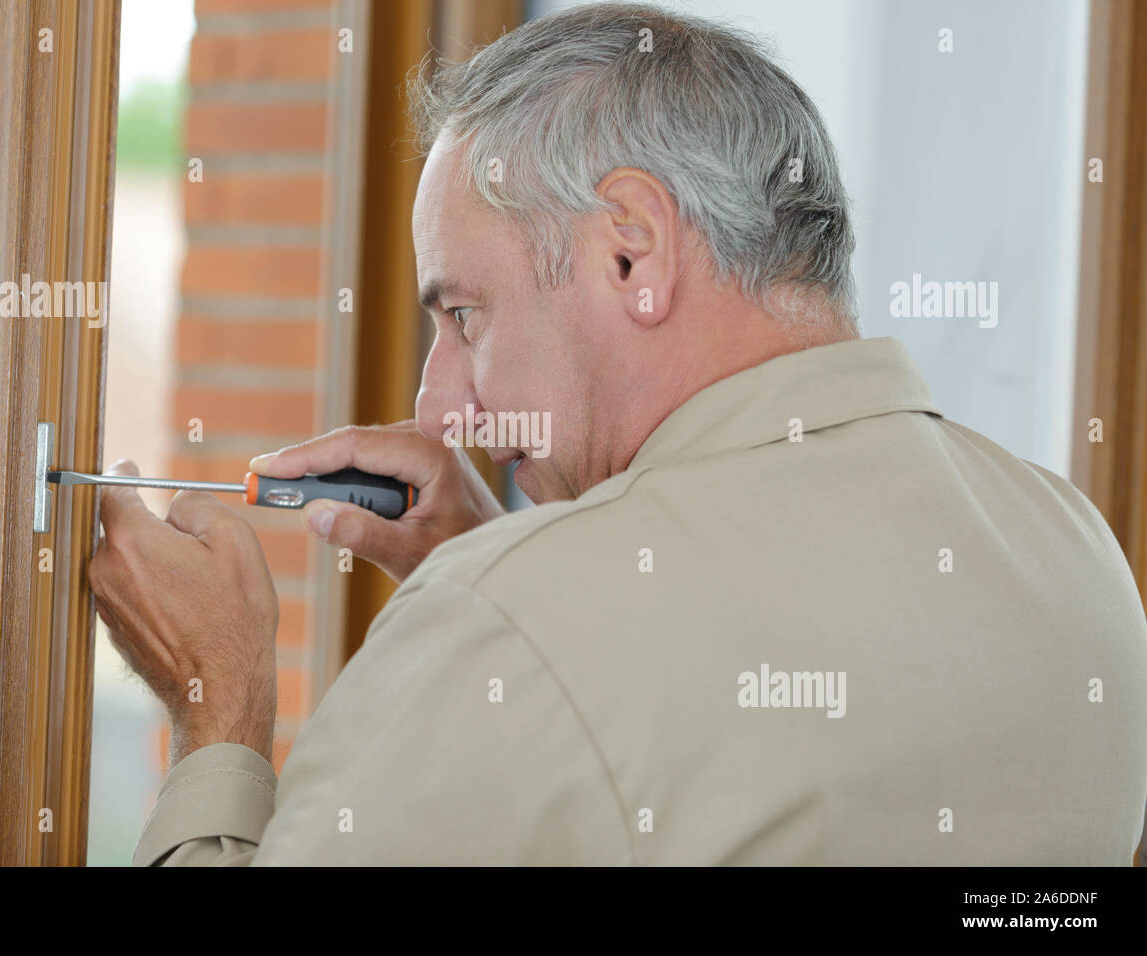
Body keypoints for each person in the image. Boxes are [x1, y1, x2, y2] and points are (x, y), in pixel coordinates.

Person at [88, 2, 1147, 865]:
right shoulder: (1076, 556)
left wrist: (213, 710)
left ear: (633, 255)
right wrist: (504, 574)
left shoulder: (510, 622)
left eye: (464, 313)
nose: (437, 409)